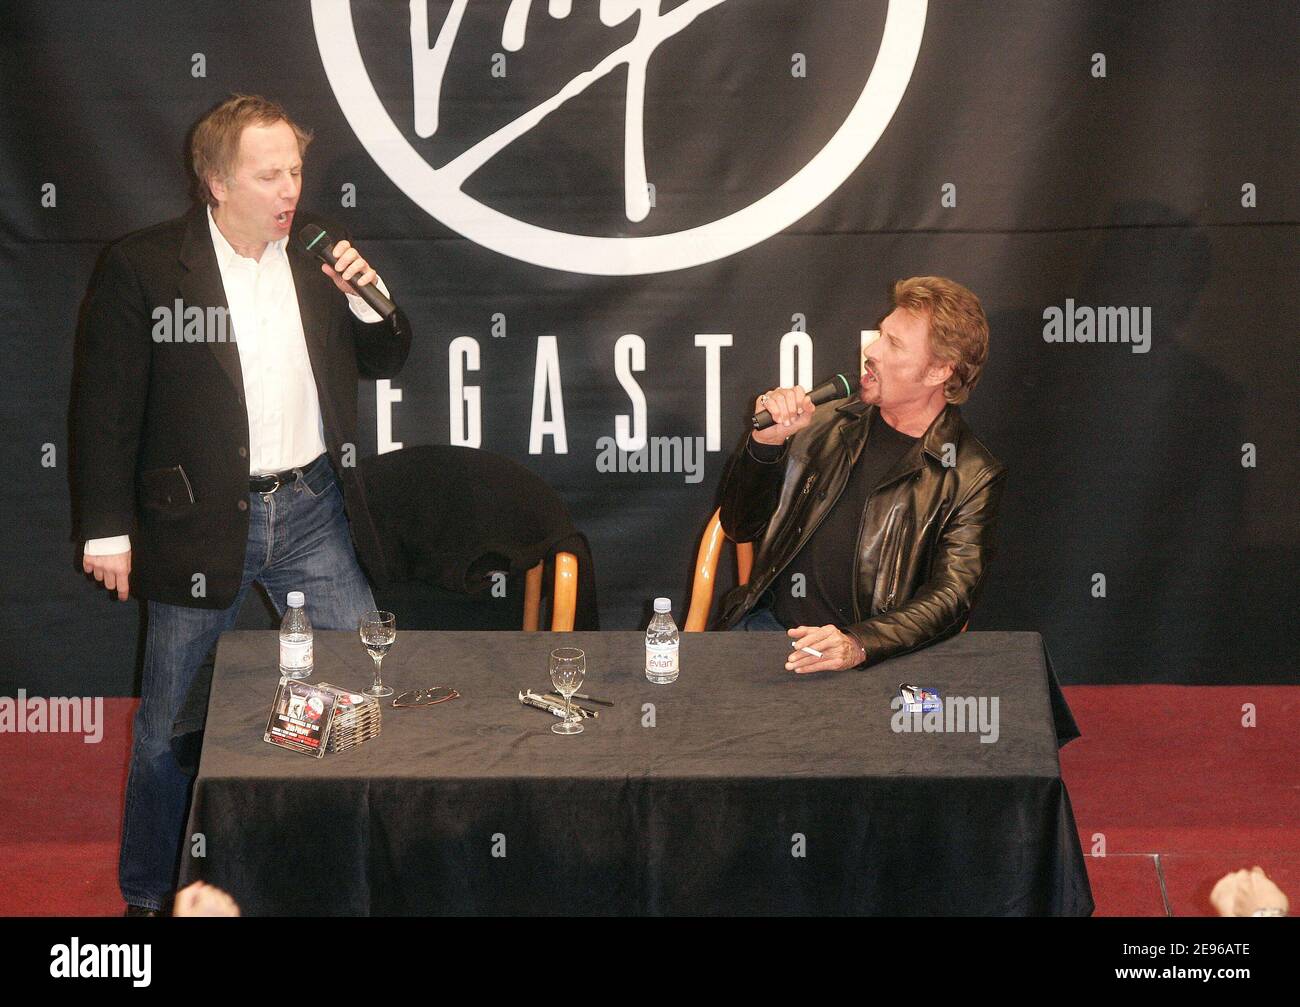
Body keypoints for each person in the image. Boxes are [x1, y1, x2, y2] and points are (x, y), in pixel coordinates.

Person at [71, 94, 413, 915]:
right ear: (217, 182)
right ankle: (149, 895)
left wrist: (371, 295)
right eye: (269, 175)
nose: (289, 188)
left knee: (366, 689)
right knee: (167, 730)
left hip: (312, 509)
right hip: (199, 523)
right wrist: (107, 528)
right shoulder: (147, 266)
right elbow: (104, 408)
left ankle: (363, 879)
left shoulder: (315, 259)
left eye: (295, 169)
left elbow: (387, 355)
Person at [715, 276, 1005, 673]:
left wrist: (858, 643)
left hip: (881, 661)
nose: (871, 351)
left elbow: (952, 597)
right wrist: (766, 446)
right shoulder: (825, 424)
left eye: (894, 344)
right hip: (771, 634)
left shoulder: (971, 475)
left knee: (936, 723)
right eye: (879, 335)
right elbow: (739, 526)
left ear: (939, 371)